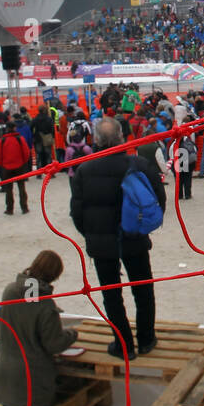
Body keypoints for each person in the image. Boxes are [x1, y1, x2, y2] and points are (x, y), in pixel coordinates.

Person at [69, 119, 166, 358]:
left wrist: (91, 234)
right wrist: (144, 227)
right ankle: (146, 339)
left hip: (102, 243)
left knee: (111, 296)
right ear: (122, 138)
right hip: (134, 237)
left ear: (97, 141)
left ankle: (123, 346)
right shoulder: (139, 165)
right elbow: (158, 200)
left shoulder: (84, 170)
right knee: (143, 291)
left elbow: (77, 212)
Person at [0, 250, 78, 406]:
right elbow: (54, 343)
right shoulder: (44, 304)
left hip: (6, 369)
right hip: (32, 375)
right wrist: (72, 334)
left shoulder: (10, 291)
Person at [0, 120, 32, 215]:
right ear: (15, 128)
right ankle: (24, 207)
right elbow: (26, 153)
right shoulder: (20, 139)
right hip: (19, 166)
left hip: (6, 167)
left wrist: (3, 164)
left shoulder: (2, 140)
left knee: (8, 189)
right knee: (22, 188)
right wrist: (23, 162)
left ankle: (10, 209)